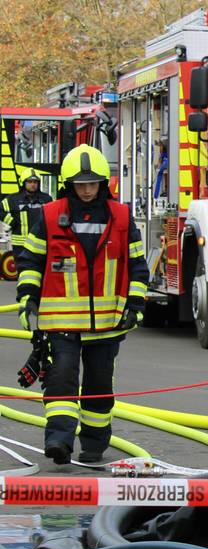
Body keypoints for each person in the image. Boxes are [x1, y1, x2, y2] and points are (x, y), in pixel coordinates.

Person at [16, 145, 149, 464]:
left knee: (98, 385)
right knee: (61, 379)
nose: (87, 189)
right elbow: (31, 260)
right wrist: (27, 298)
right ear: (68, 184)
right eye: (80, 183)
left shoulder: (121, 217)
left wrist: (136, 303)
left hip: (106, 324)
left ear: (103, 183)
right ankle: (59, 441)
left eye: (92, 183)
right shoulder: (49, 216)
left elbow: (137, 265)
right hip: (60, 324)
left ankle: (94, 444)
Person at [2, 169, 53, 258]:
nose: (33, 184)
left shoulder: (46, 199)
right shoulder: (13, 199)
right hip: (20, 245)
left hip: (40, 243)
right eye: (29, 182)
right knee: (21, 269)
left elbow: (51, 217)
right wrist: (12, 222)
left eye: (35, 182)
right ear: (23, 182)